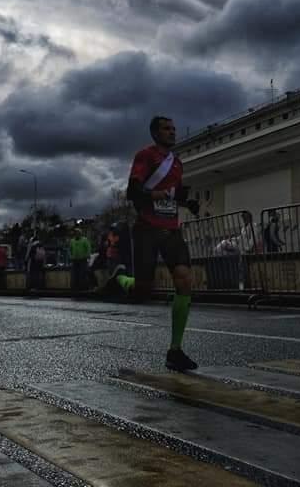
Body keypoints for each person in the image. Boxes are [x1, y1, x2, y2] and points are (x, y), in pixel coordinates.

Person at [107, 115, 201, 371]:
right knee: (143, 290)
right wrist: (154, 194)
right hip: (147, 228)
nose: (172, 132)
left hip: (171, 230)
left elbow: (176, 193)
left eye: (174, 128)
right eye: (166, 129)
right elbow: (133, 192)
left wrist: (188, 203)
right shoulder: (145, 156)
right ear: (154, 133)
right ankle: (120, 279)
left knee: (184, 280)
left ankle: (175, 350)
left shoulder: (177, 164)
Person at [69, 228, 92, 294]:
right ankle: (75, 287)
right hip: (74, 260)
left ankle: (83, 287)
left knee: (82, 274)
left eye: (78, 233)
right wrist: (71, 256)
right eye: (75, 233)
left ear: (80, 234)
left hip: (83, 259)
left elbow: (88, 248)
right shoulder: (72, 241)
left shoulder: (84, 240)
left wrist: (87, 255)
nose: (77, 234)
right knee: (74, 274)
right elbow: (70, 249)